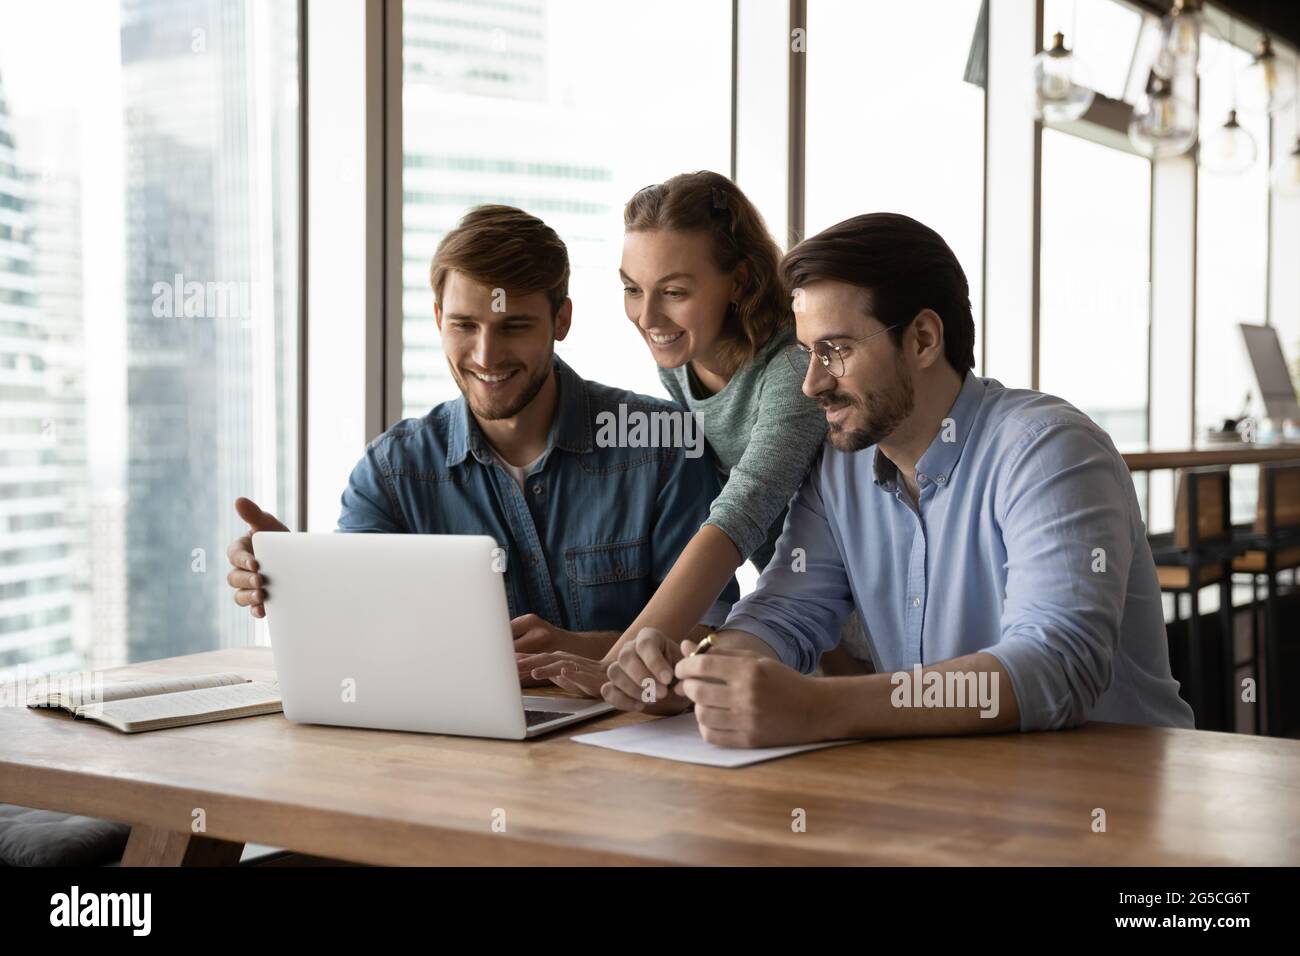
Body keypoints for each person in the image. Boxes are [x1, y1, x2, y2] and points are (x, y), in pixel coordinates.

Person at [602, 211, 1195, 744]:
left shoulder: (1049, 450)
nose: (811, 384)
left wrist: (821, 707)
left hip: (1109, 813)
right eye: (807, 352)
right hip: (948, 803)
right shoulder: (844, 468)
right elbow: (783, 614)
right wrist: (705, 673)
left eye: (834, 351)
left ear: (923, 339)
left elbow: (1055, 669)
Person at [226, 204, 736, 673]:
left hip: (624, 751)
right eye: (464, 325)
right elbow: (360, 631)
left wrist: (582, 648)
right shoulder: (393, 471)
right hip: (456, 754)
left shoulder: (663, 445)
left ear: (561, 320)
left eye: (513, 326)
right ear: (436, 320)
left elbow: (712, 636)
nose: (486, 356)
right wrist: (295, 582)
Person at [522, 171, 830, 694]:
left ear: (739, 281)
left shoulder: (791, 371)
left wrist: (614, 666)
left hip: (865, 606)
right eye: (631, 289)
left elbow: (739, 514)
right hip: (805, 612)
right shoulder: (680, 364)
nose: (647, 316)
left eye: (674, 291)